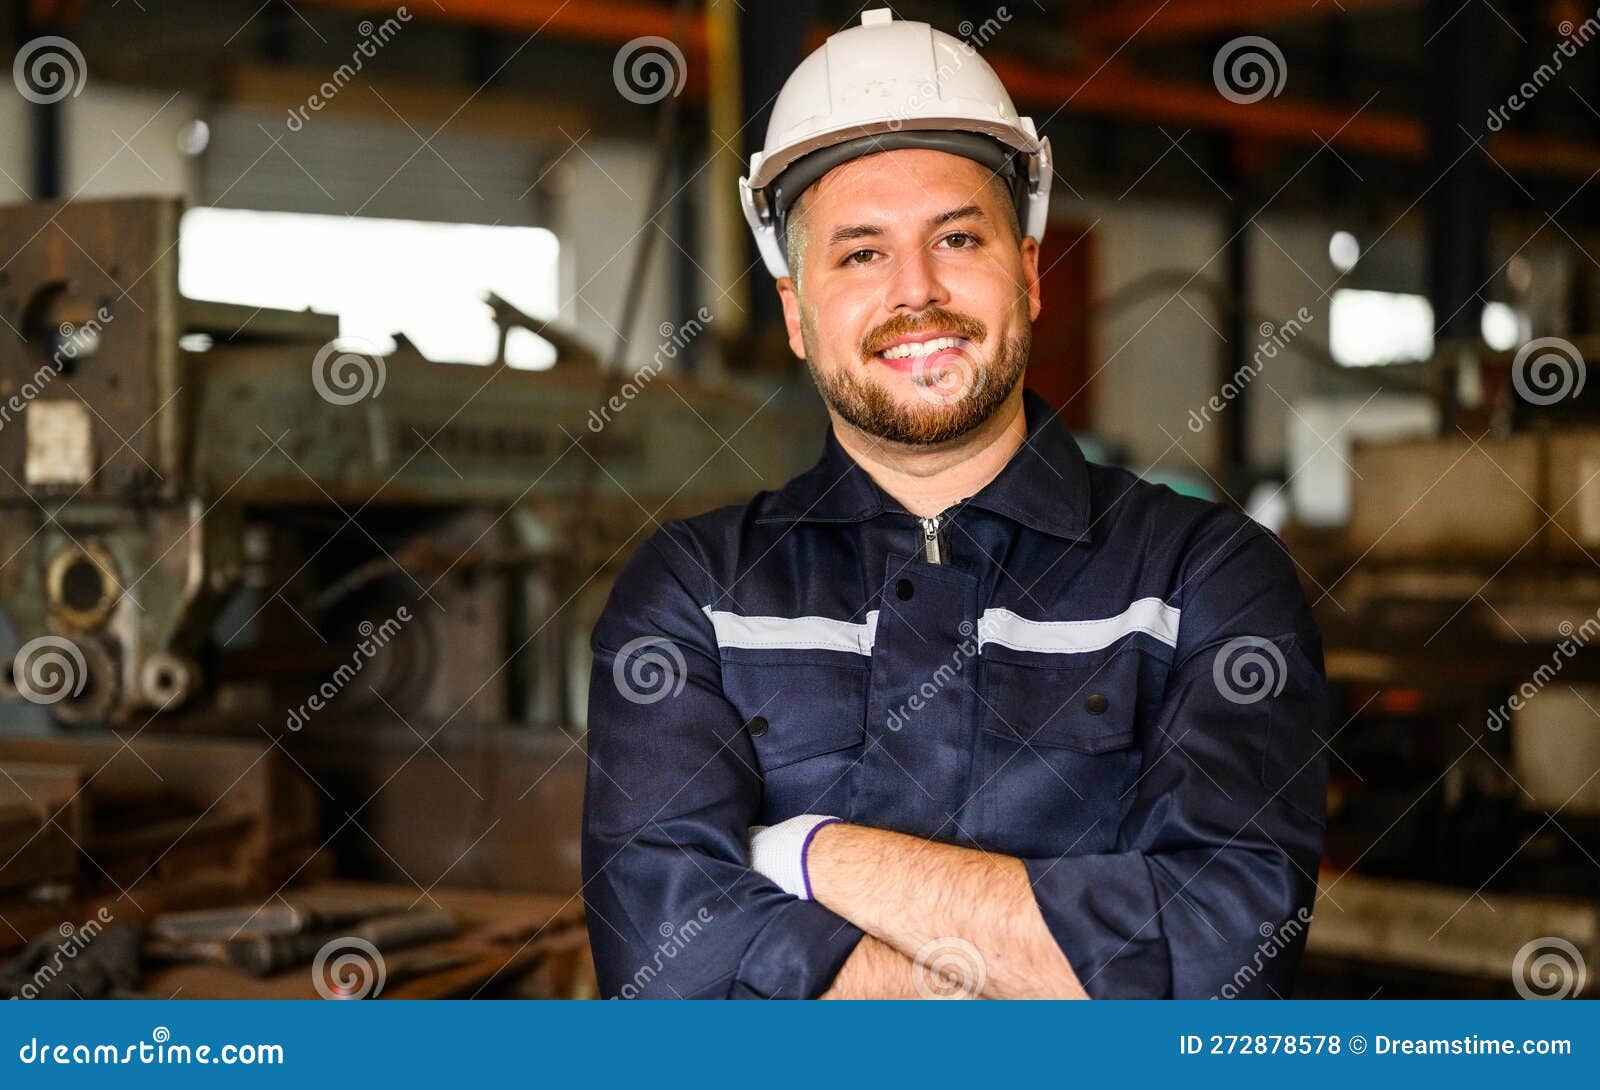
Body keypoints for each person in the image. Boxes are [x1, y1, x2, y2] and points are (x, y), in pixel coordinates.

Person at [582, 8, 1327, 999]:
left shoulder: (1205, 577)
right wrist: (1071, 976)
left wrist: (809, 854)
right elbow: (669, 973)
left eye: (958, 237)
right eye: (859, 253)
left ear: (1024, 274)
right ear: (799, 316)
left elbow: (1225, 960)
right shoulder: (692, 594)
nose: (917, 292)